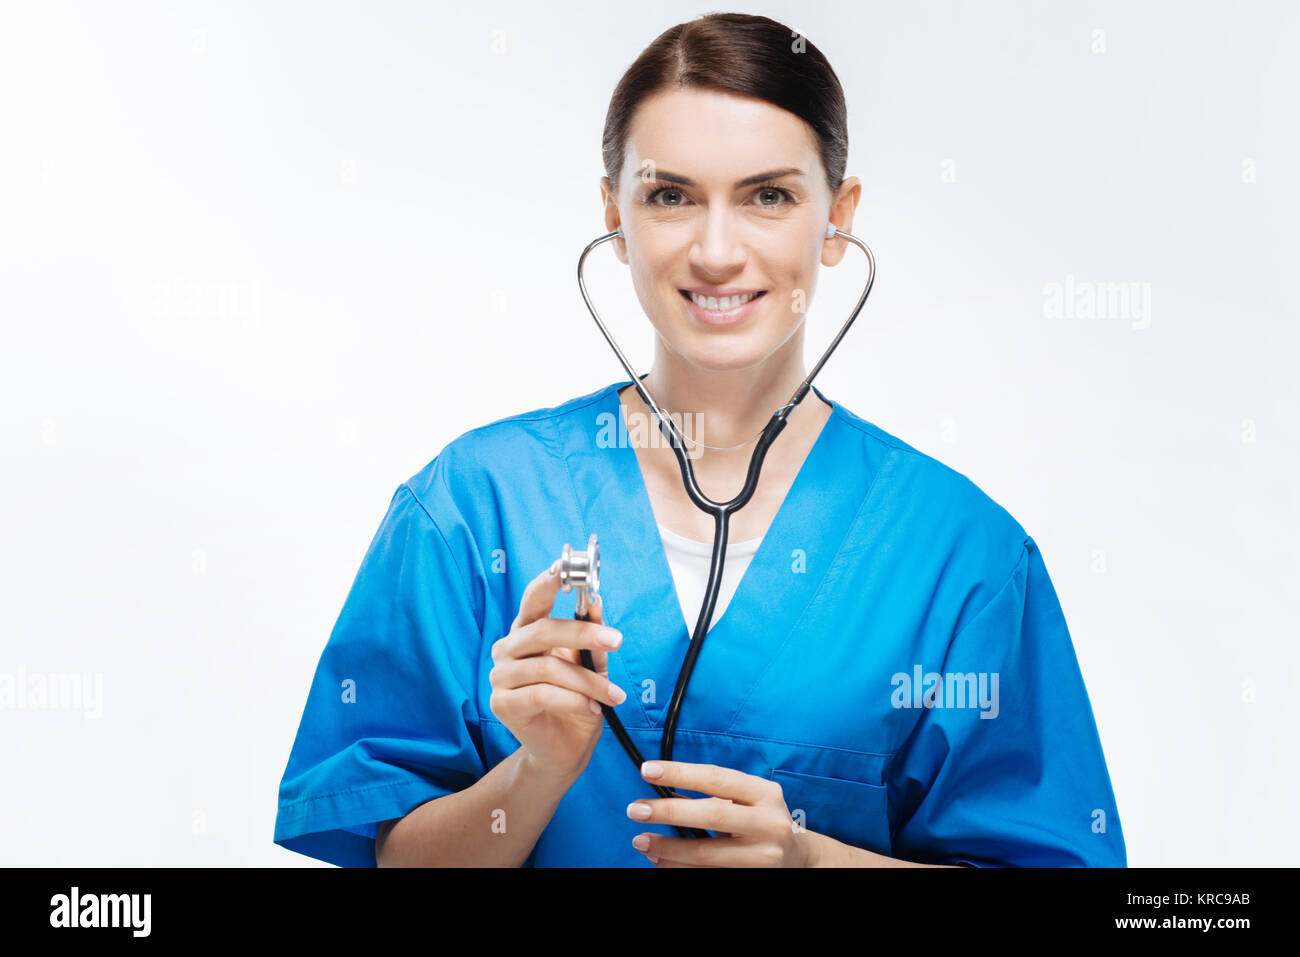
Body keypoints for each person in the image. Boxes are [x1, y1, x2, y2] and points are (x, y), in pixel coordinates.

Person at [273, 12, 1126, 868]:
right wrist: (536, 769)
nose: (718, 251)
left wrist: (808, 860)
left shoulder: (961, 554)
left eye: (769, 196)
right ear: (615, 214)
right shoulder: (471, 507)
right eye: (670, 195)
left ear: (838, 219)